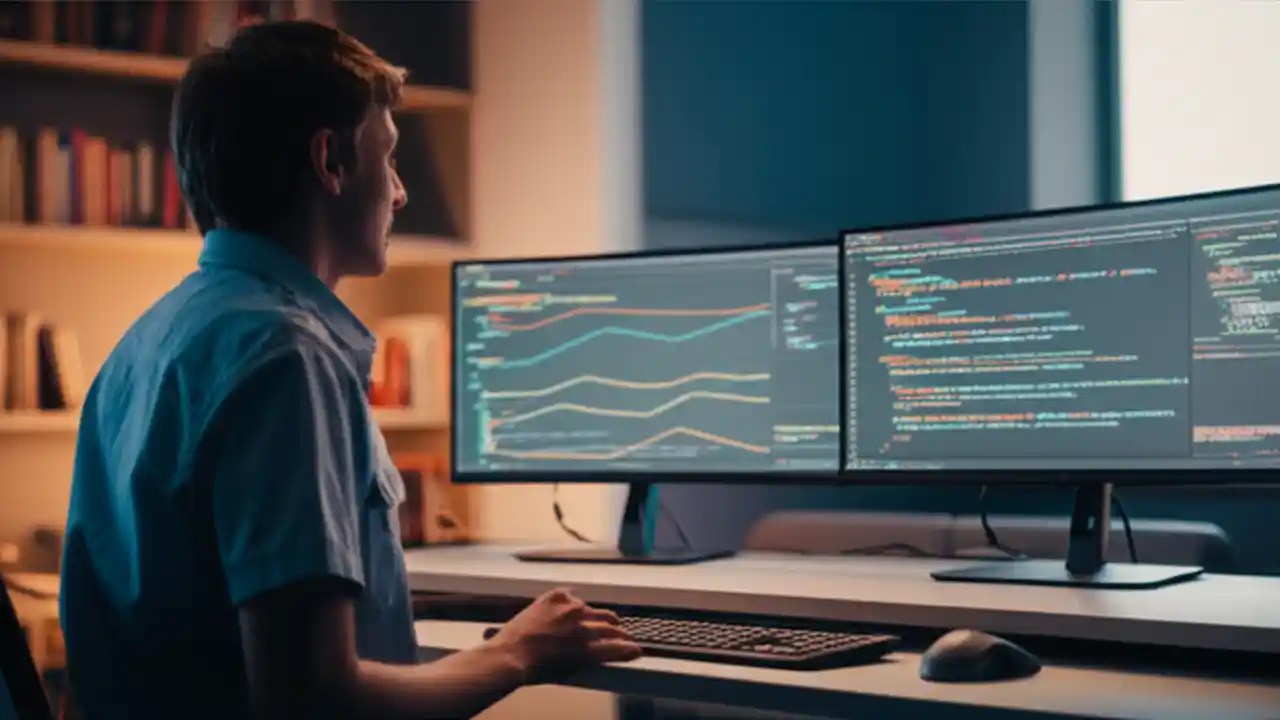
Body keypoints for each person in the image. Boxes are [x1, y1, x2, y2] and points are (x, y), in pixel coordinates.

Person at [59, 20, 640, 719]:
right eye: (388, 158)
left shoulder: (144, 344)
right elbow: (314, 700)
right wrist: (515, 652)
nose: (399, 193)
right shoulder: (286, 356)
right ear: (331, 161)